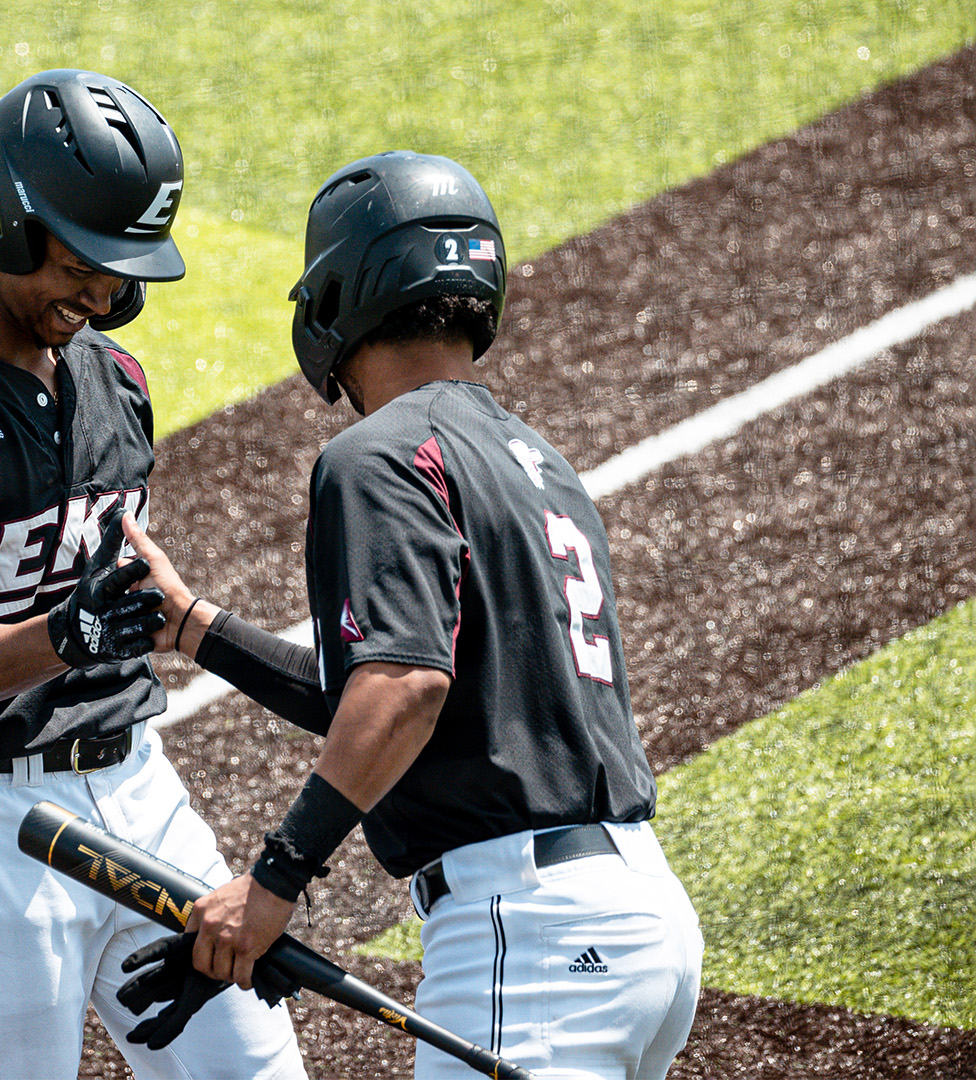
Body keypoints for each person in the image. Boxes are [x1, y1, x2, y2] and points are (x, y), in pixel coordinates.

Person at [114, 150, 704, 1078]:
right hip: (643, 924)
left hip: (532, 940)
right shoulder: (535, 462)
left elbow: (403, 689)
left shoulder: (381, 454)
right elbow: (386, 690)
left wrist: (274, 882)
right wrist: (193, 626)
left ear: (342, 293)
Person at [0, 69, 305, 1079]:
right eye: (87, 260)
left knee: (255, 1068)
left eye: (123, 271)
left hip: (137, 787)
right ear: (7, 218)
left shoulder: (117, 381)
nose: (102, 294)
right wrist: (67, 633)